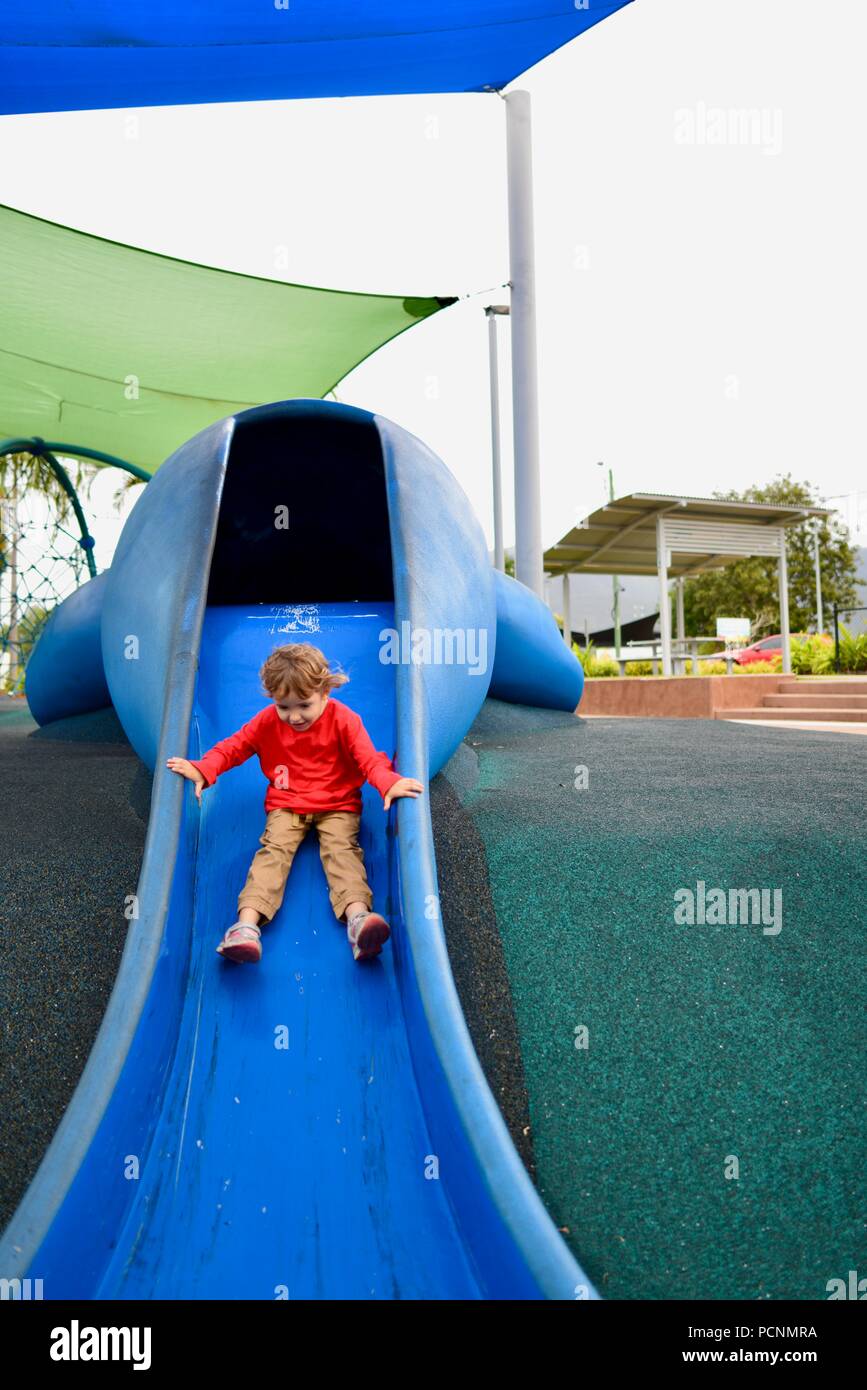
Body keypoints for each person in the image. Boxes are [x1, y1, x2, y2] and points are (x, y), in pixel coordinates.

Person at [166, 642, 422, 962]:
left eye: (304, 705)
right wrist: (204, 769)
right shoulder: (267, 722)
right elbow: (234, 747)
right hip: (286, 803)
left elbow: (369, 760)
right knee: (272, 854)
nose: (294, 716)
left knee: (342, 853)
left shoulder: (345, 720)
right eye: (283, 707)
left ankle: (358, 921)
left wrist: (389, 783)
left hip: (337, 803)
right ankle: (245, 928)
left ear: (325, 692)